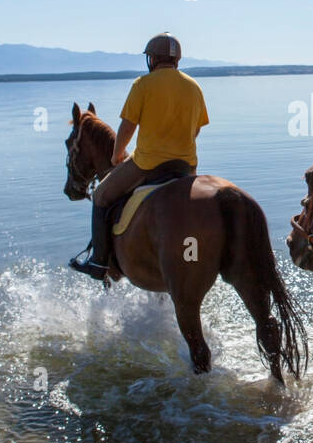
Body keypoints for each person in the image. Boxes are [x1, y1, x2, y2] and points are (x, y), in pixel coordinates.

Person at [69, 32, 209, 279]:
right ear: (177, 59)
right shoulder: (193, 86)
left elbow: (127, 127)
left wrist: (116, 156)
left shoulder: (142, 85)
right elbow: (195, 129)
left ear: (152, 59)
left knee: (101, 195)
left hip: (148, 164)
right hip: (186, 167)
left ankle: (99, 262)